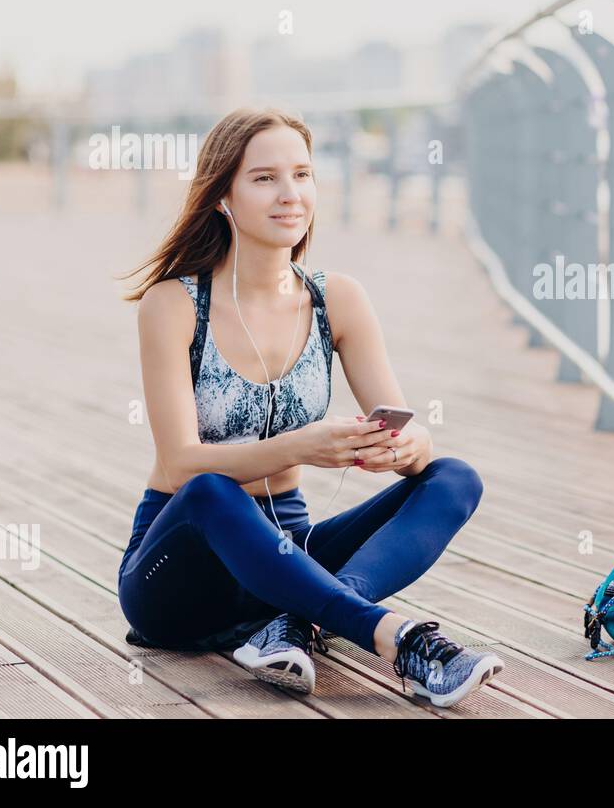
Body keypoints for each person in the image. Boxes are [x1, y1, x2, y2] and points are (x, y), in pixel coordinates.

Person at [114, 106, 502, 708]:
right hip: (180, 578)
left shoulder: (337, 300)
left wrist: (403, 445)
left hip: (287, 558)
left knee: (454, 477)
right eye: (264, 178)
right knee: (212, 489)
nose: (290, 194)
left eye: (302, 174)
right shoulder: (173, 304)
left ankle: (302, 615)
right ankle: (393, 636)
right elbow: (182, 463)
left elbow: (405, 428)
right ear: (223, 197)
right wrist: (301, 446)